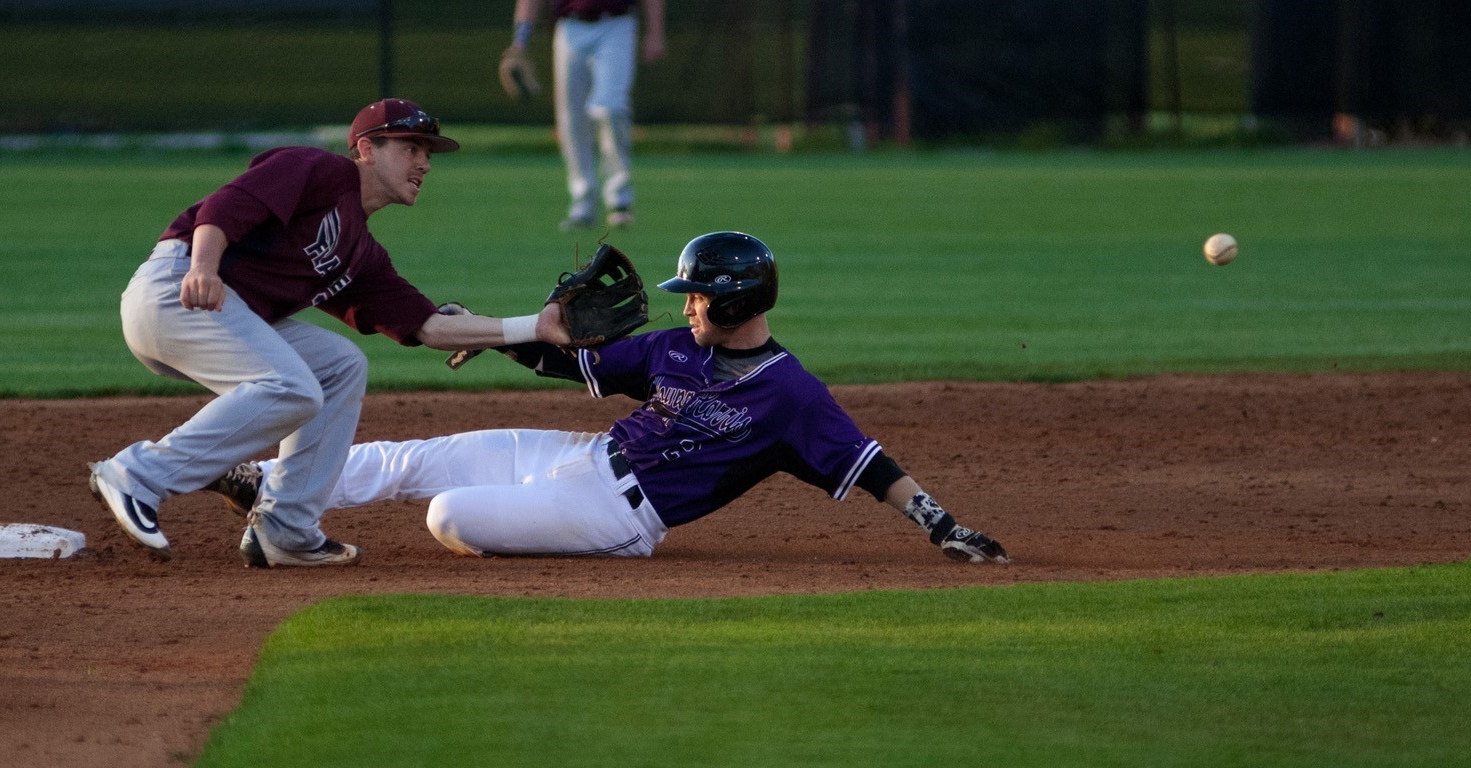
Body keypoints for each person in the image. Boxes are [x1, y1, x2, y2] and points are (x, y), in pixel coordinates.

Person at [204, 232, 1010, 563]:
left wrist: (942, 525)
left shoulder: (792, 396)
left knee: (445, 512)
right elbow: (567, 364)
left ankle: (285, 510)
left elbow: (869, 465)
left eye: (696, 296)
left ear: (732, 302)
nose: (685, 305)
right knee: (419, 459)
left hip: (620, 519)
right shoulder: (668, 349)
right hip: (583, 459)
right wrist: (490, 334)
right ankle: (270, 493)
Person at [88, 98, 570, 567]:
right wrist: (203, 268)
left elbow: (430, 326)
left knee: (340, 366)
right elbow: (225, 205)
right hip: (177, 291)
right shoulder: (317, 170)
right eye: (411, 147)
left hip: (223, 315)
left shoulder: (361, 252)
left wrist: (537, 327)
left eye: (427, 152)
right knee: (291, 388)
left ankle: (286, 530)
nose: (424, 163)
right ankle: (138, 475)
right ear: (366, 148)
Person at [507, 0, 666, 231]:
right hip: (570, 28)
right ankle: (582, 202)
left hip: (616, 24)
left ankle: (619, 199)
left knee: (610, 107)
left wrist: (655, 31)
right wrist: (520, 40)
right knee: (571, 119)